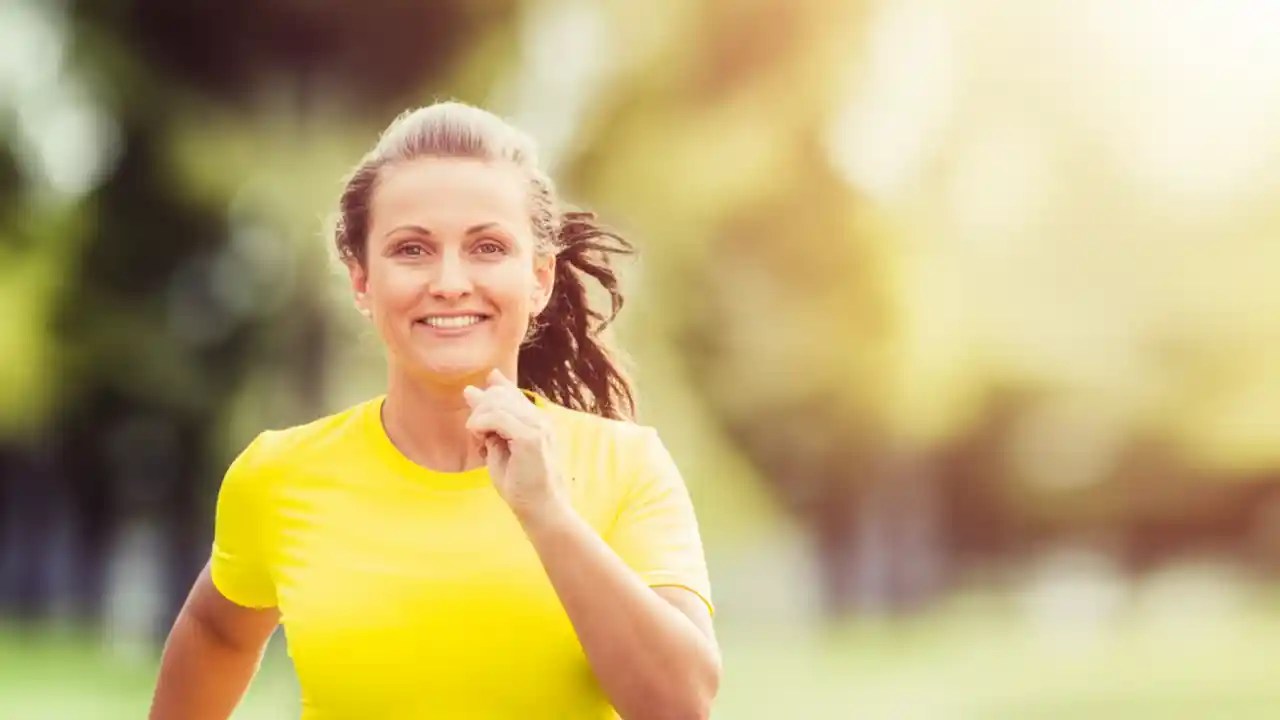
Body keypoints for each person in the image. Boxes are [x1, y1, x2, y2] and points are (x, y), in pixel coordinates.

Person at [149, 102, 720, 719]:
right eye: (413, 249)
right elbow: (217, 631)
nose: (449, 282)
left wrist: (547, 514)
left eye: (487, 247)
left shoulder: (626, 467)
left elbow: (681, 706)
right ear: (362, 281)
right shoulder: (277, 476)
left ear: (540, 279)